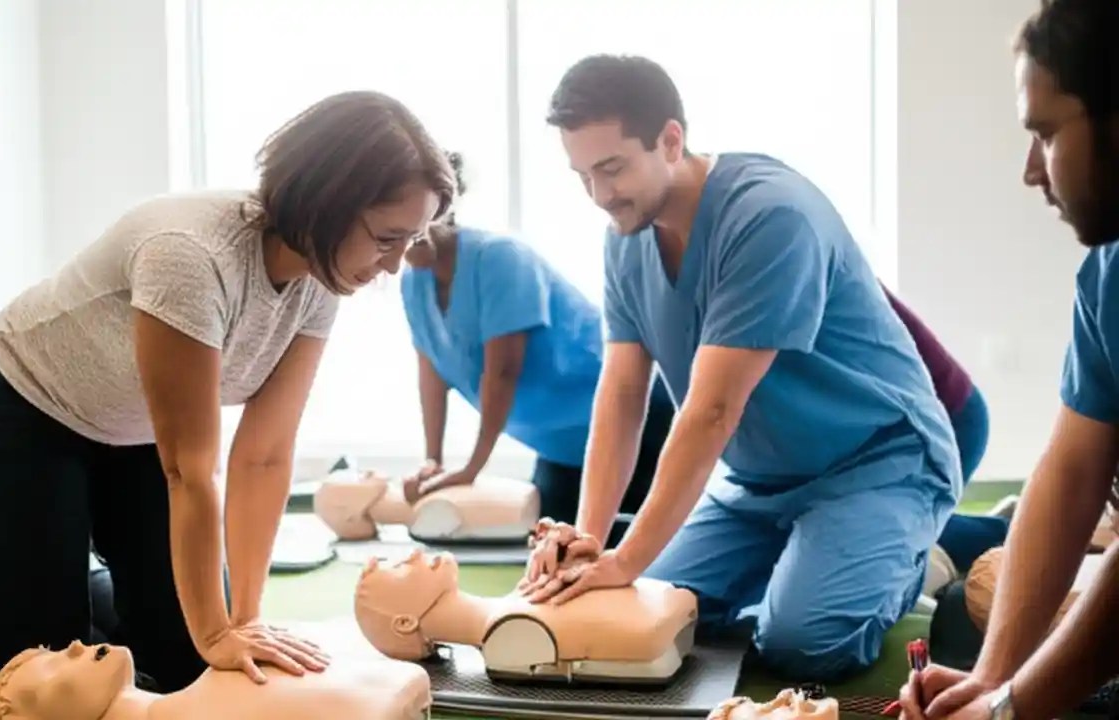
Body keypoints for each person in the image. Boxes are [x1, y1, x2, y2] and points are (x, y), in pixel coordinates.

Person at [0, 91, 456, 693]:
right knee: (45, 676)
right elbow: (192, 470)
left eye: (412, 240)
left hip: (135, 429)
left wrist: (243, 620)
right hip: (28, 409)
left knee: (190, 657)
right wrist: (218, 631)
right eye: (386, 238)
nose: (395, 266)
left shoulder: (324, 278)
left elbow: (264, 453)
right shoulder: (191, 256)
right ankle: (6, 595)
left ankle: (67, 580)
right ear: (327, 204)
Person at [518, 54, 963, 681]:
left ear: (670, 140)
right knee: (652, 612)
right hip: (758, 483)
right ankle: (812, 559)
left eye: (612, 168)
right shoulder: (624, 235)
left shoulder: (768, 216)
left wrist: (627, 559)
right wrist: (590, 543)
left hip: (877, 463)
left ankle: (923, 557)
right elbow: (621, 395)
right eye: (582, 175)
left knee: (801, 643)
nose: (599, 195)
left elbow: (711, 411)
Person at [898, 1, 1119, 718]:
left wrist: (1007, 710)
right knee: (969, 618)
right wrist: (991, 678)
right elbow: (1073, 469)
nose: (1032, 170)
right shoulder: (1107, 272)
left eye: (1047, 134)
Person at [399, 151, 674, 544]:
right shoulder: (414, 281)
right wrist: (434, 461)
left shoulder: (500, 259)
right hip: (562, 447)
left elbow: (503, 374)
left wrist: (472, 468)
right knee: (553, 560)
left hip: (637, 424)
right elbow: (431, 372)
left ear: (438, 206)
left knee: (636, 562)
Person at [885, 289, 1009, 574]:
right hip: (920, 420)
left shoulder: (807, 263)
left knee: (882, 532)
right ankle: (1007, 529)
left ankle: (1021, 535)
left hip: (946, 420)